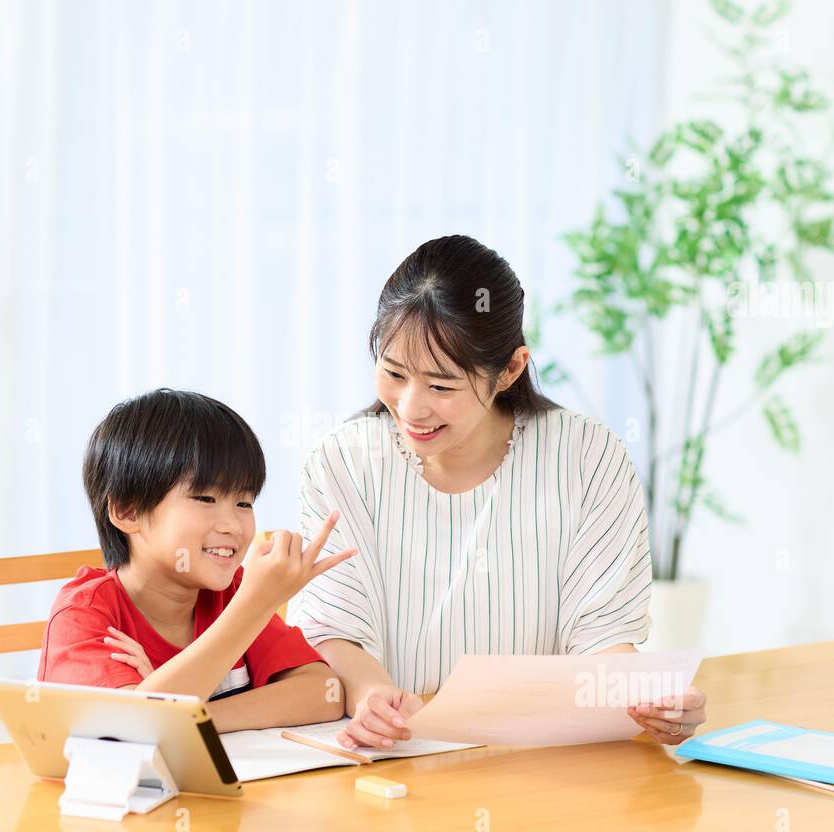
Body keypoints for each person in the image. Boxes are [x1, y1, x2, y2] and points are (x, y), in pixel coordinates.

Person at [286, 236, 708, 749]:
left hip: (542, 760)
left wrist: (650, 699)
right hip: (399, 753)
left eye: (442, 387)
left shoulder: (586, 455)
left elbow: (601, 637)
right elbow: (336, 629)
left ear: (510, 368)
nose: (412, 408)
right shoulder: (343, 461)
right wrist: (376, 697)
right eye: (394, 373)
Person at [37, 388, 355, 732]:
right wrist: (256, 604)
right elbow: (131, 732)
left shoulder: (232, 593)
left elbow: (325, 692)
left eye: (244, 503)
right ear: (128, 511)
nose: (233, 525)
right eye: (205, 498)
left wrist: (190, 715)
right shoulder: (86, 614)